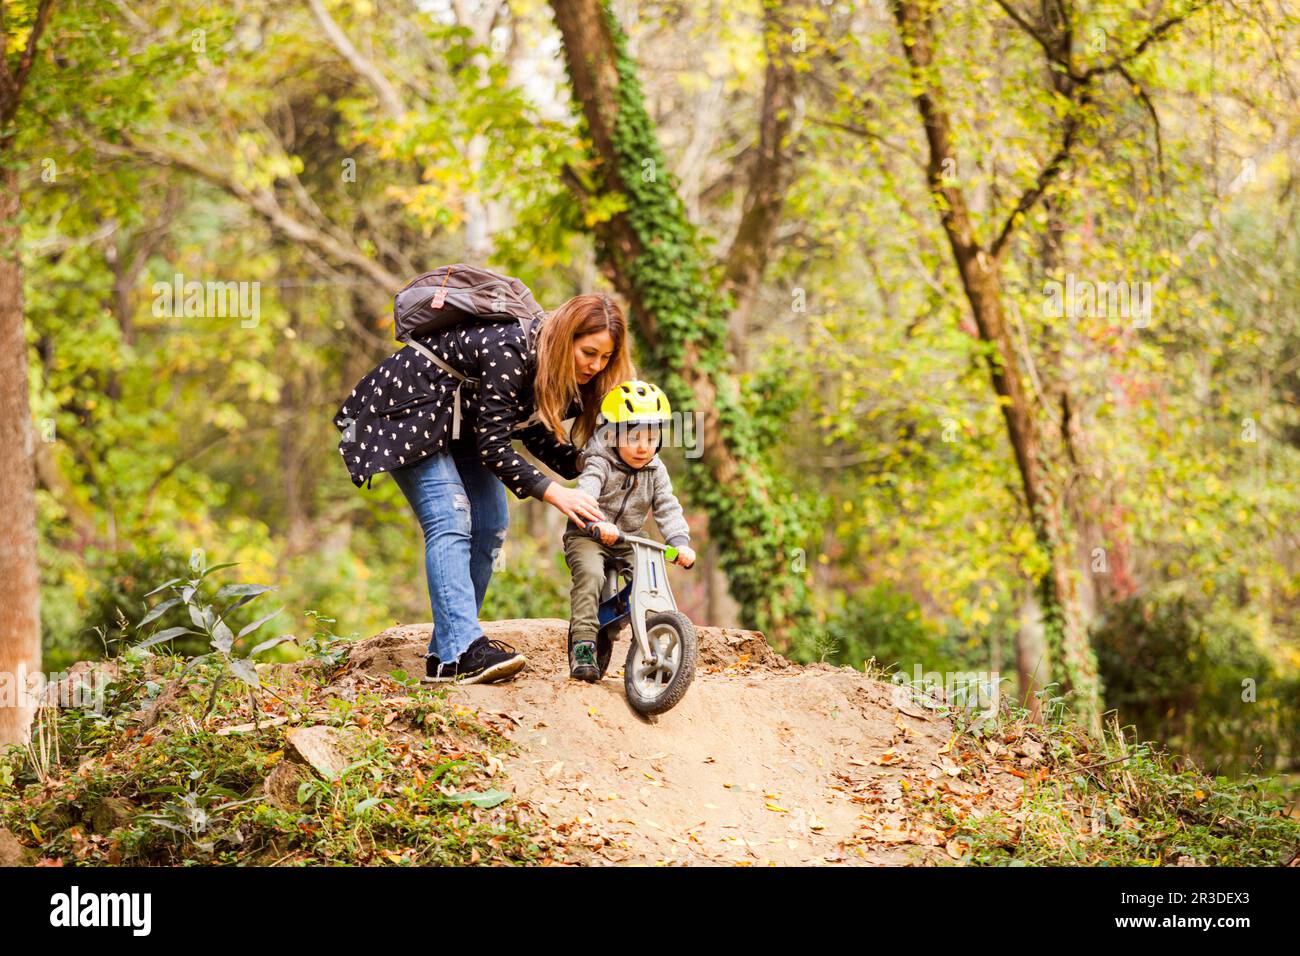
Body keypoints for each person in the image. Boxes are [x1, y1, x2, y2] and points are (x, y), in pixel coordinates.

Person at [333, 293, 636, 683]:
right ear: (566, 339)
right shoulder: (510, 347)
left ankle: (446, 657)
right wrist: (555, 492)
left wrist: (593, 463)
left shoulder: (555, 374)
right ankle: (463, 647)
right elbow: (494, 446)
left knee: (492, 524)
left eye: (605, 358)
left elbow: (532, 434)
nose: (595, 366)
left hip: (462, 428)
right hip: (409, 409)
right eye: (588, 352)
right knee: (451, 517)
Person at [561, 380, 696, 682]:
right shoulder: (599, 461)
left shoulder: (655, 469)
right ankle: (583, 642)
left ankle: (649, 642)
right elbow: (586, 493)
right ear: (611, 434)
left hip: (630, 539)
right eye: (633, 437)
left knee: (650, 579)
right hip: (587, 534)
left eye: (651, 437)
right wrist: (595, 521)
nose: (643, 446)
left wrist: (679, 542)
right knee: (591, 575)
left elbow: (667, 507)